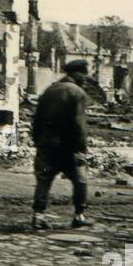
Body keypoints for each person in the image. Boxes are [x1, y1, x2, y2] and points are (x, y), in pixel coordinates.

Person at [31, 59, 93, 228]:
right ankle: (79, 215)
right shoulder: (77, 93)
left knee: (43, 180)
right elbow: (79, 124)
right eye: (83, 74)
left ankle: (38, 215)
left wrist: (37, 141)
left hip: (46, 144)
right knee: (80, 179)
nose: (85, 78)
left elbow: (36, 119)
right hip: (68, 146)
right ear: (76, 74)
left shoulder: (49, 90)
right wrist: (81, 149)